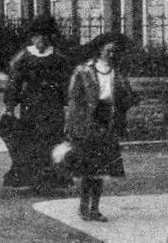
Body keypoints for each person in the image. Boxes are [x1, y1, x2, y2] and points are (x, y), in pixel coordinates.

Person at [64, 32, 137, 223]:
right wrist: (74, 125)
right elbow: (74, 100)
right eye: (109, 50)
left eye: (115, 51)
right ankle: (83, 207)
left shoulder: (118, 73)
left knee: (101, 170)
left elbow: (126, 97)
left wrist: (127, 101)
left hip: (108, 121)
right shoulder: (84, 71)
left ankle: (95, 209)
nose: (112, 54)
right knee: (88, 169)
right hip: (89, 121)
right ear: (100, 50)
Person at [3, 15, 73, 192]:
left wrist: (69, 104)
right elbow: (13, 83)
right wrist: (10, 108)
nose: (40, 40)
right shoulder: (24, 57)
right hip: (31, 106)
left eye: (44, 35)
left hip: (53, 106)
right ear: (32, 37)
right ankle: (33, 179)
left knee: (53, 140)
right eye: (37, 36)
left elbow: (66, 84)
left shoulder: (58, 58)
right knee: (32, 141)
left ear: (50, 37)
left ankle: (52, 180)